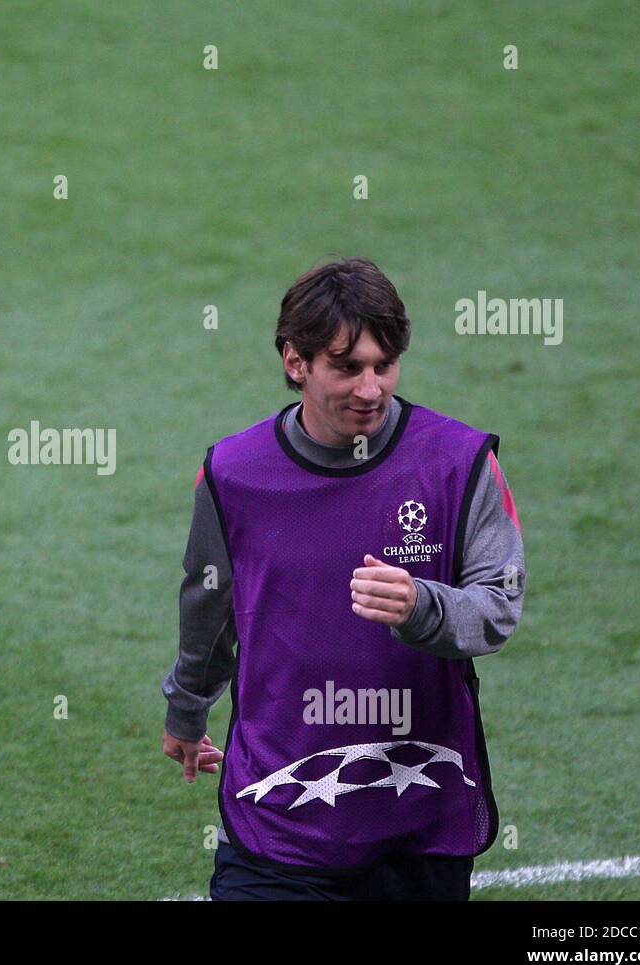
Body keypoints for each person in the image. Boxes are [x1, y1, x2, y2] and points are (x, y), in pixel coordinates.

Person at [162, 257, 525, 901]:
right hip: (277, 814)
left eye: (384, 365)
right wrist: (189, 709)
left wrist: (422, 605)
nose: (370, 389)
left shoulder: (459, 463)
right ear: (295, 361)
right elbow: (207, 605)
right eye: (346, 366)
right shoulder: (234, 473)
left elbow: (496, 612)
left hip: (417, 817)